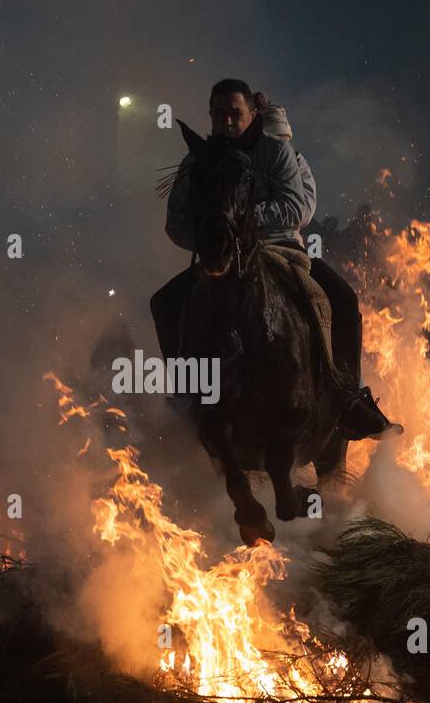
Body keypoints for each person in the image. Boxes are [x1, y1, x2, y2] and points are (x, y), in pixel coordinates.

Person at [153, 78, 392, 439]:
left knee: (343, 300)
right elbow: (177, 223)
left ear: (252, 115)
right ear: (210, 116)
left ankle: (346, 397)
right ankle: (187, 394)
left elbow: (297, 206)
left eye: (236, 114)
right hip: (222, 260)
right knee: (165, 302)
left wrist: (243, 224)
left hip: (280, 251)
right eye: (220, 115)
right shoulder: (196, 161)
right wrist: (209, 238)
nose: (228, 122)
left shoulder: (277, 152)